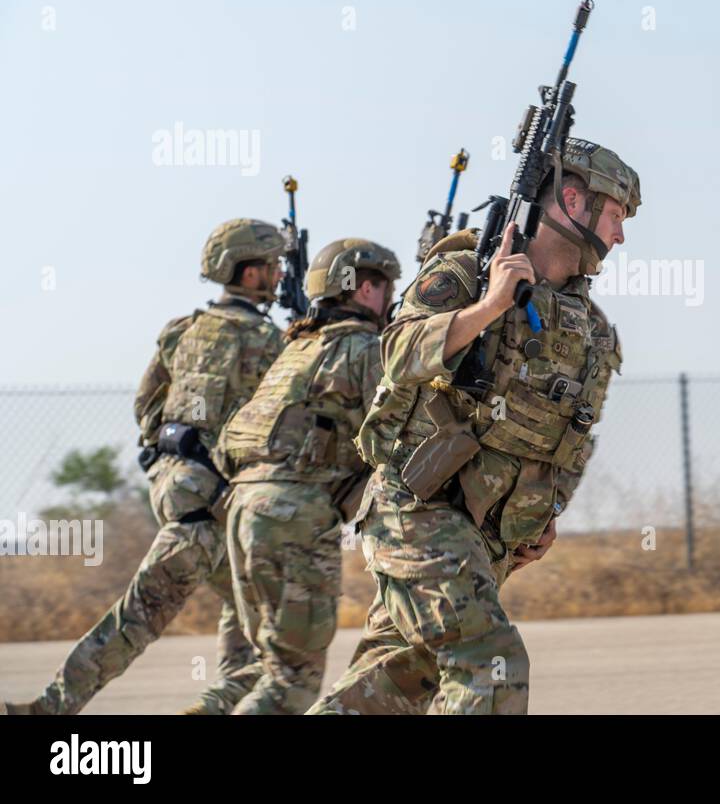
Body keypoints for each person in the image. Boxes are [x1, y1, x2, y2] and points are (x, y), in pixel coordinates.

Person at [309, 138, 640, 715]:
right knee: (493, 665)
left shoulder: (591, 327)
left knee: (390, 687)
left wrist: (549, 512)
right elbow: (398, 352)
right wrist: (488, 307)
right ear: (571, 199)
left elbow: (569, 435)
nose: (620, 235)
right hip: (419, 513)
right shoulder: (467, 272)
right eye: (616, 214)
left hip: (489, 535)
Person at [4, 219, 286, 715]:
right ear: (249, 272)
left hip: (181, 492)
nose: (280, 273)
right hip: (215, 508)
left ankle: (222, 706)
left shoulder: (182, 330)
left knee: (251, 621)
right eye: (272, 266)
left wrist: (174, 458)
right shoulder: (267, 341)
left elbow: (147, 407)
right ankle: (47, 711)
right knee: (138, 619)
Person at [213, 238, 401, 715]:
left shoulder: (297, 346)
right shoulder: (363, 347)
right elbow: (397, 435)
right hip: (294, 515)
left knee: (269, 670)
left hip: (241, 507)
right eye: (386, 286)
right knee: (293, 683)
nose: (392, 298)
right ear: (362, 289)